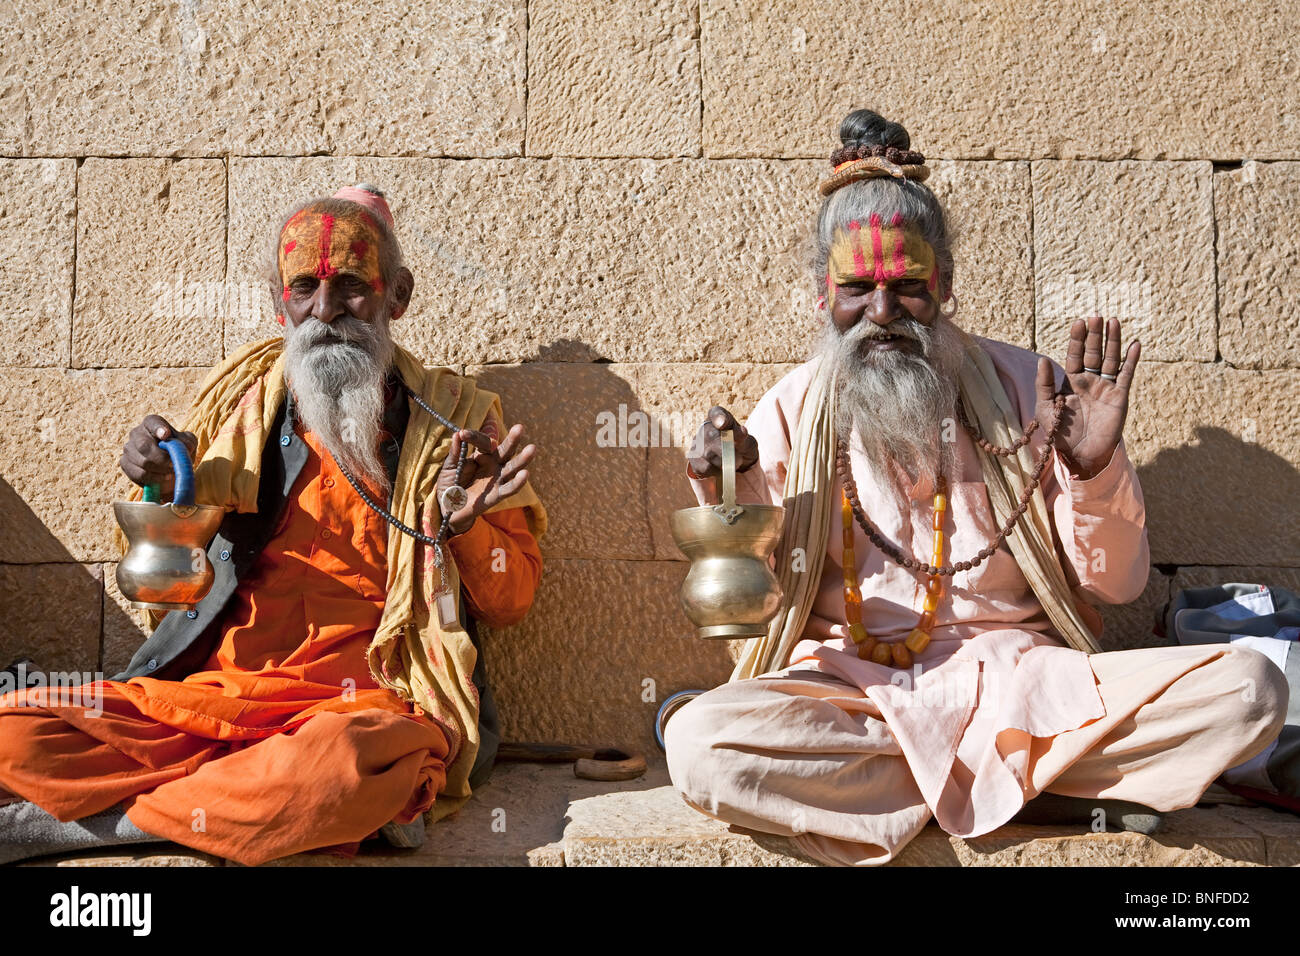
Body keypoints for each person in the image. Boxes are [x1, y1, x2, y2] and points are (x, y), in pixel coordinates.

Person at [664, 110, 1288, 866]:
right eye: (857, 288)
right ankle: (1045, 790)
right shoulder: (791, 409)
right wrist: (722, 488)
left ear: (948, 284)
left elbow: (1117, 586)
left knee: (1250, 689)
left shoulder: (1034, 389)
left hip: (1029, 695)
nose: (883, 314)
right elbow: (750, 601)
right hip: (858, 700)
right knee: (702, 743)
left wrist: (1093, 469)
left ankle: (916, 795)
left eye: (908, 288)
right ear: (823, 292)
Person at [0, 184, 547, 866]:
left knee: (349, 769)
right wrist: (160, 483)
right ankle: (236, 806)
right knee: (14, 733)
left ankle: (65, 830)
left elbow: (512, 599)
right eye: (303, 290)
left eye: (351, 286)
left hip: (363, 709)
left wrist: (461, 528)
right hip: (217, 697)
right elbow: (163, 586)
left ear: (396, 296)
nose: (325, 312)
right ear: (277, 301)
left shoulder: (460, 426)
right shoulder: (239, 408)